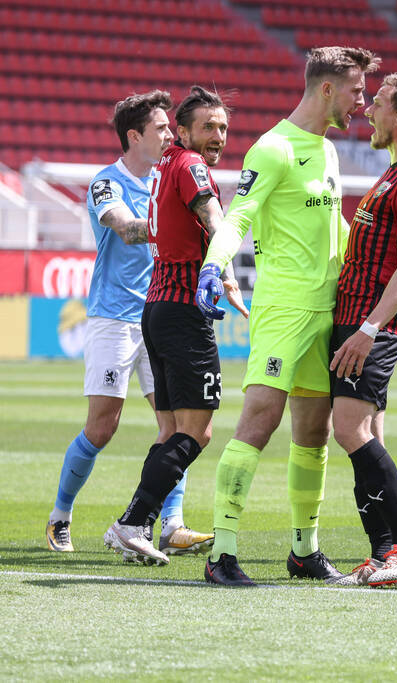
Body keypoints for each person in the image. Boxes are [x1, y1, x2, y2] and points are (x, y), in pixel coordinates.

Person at [195, 46, 380, 586]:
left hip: (327, 309)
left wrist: (377, 268)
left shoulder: (327, 150)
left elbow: (335, 229)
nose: (362, 102)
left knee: (314, 431)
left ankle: (304, 551)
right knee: (259, 420)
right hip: (283, 308)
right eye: (356, 91)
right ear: (327, 89)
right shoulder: (272, 148)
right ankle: (221, 553)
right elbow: (239, 216)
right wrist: (214, 265)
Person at [45, 91, 210, 555]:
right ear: (134, 136)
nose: (168, 134)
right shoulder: (106, 182)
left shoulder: (166, 178)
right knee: (102, 427)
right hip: (114, 317)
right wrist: (174, 223)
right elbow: (123, 226)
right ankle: (61, 514)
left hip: (162, 313)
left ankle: (171, 525)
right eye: (160, 128)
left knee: (179, 425)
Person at [102, 86, 248, 565]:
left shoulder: (164, 167)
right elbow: (211, 215)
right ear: (182, 131)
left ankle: (135, 526)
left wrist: (221, 272)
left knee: (170, 432)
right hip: (183, 311)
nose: (218, 136)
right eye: (208, 126)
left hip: (157, 307)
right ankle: (132, 522)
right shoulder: (190, 166)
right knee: (198, 431)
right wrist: (223, 264)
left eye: (223, 127)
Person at [327, 73, 397, 586]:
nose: (368, 109)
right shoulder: (394, 173)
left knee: (350, 430)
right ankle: (382, 552)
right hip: (357, 317)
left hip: (374, 322)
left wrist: (369, 329)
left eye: (378, 103)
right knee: (360, 431)